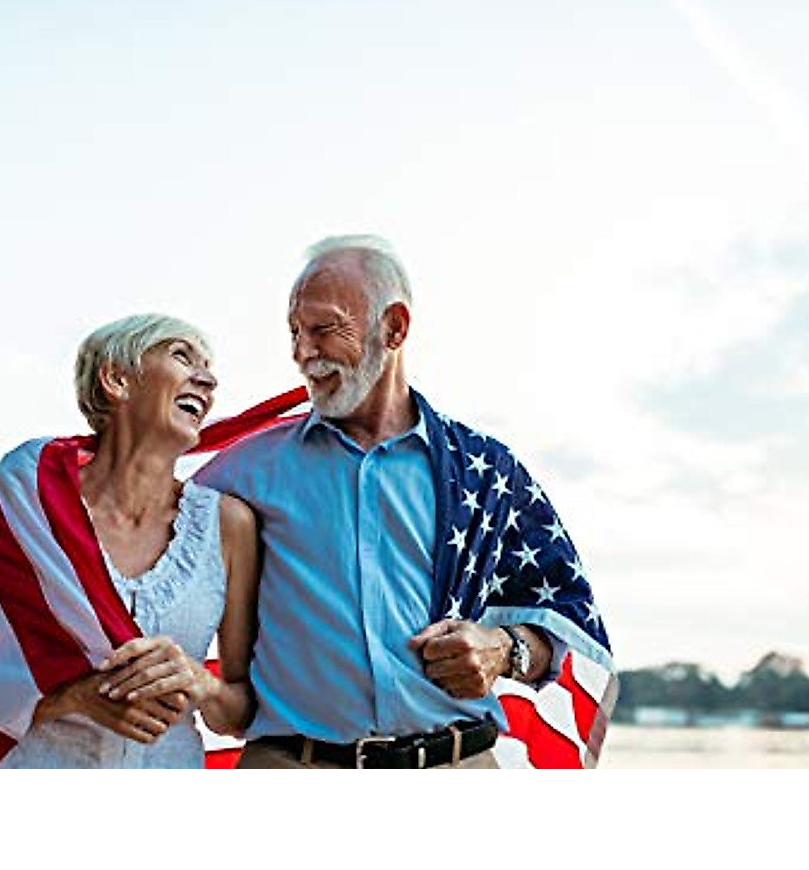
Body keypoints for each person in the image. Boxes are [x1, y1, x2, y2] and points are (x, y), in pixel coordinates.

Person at [185, 235, 617, 769]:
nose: (303, 352)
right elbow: (131, 546)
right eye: (295, 333)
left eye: (323, 329)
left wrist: (503, 648)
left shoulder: (485, 471)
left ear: (394, 327)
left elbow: (562, 619)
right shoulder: (239, 472)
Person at [0, 313, 264, 769]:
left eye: (209, 368)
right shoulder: (29, 501)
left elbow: (239, 712)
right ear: (117, 379)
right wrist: (76, 696)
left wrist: (201, 681)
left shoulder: (228, 525)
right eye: (182, 356)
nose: (208, 380)